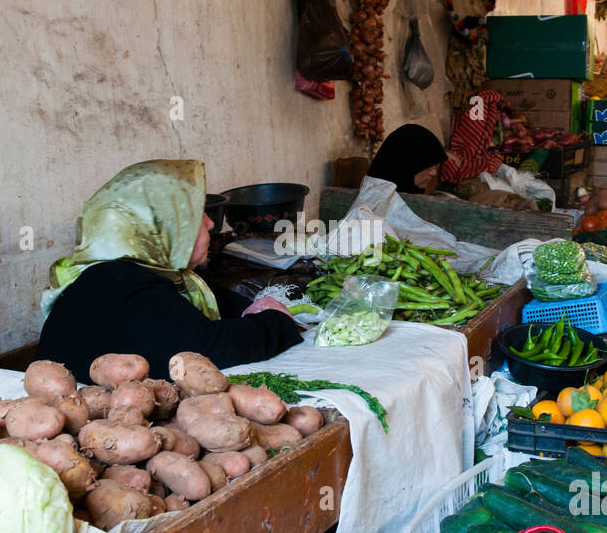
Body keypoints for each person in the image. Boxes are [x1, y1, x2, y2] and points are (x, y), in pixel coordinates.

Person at [36, 159, 303, 382]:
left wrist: (249, 307)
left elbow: (203, 302)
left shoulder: (121, 276)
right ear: (161, 227)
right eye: (198, 215)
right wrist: (276, 322)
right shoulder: (122, 286)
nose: (211, 224)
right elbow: (211, 348)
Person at [366, 123, 448, 194]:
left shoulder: (416, 202)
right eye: (429, 165)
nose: (434, 173)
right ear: (406, 165)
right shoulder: (369, 208)